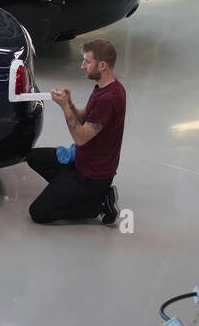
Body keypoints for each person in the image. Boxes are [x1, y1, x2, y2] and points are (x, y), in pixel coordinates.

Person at [26, 38, 126, 226]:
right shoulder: (104, 88)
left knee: (38, 213)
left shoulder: (109, 99)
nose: (82, 66)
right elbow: (84, 117)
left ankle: (97, 203)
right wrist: (69, 103)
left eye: (87, 61)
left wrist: (64, 108)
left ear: (102, 65)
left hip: (91, 175)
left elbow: (80, 137)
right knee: (33, 156)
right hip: (81, 161)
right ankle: (74, 193)